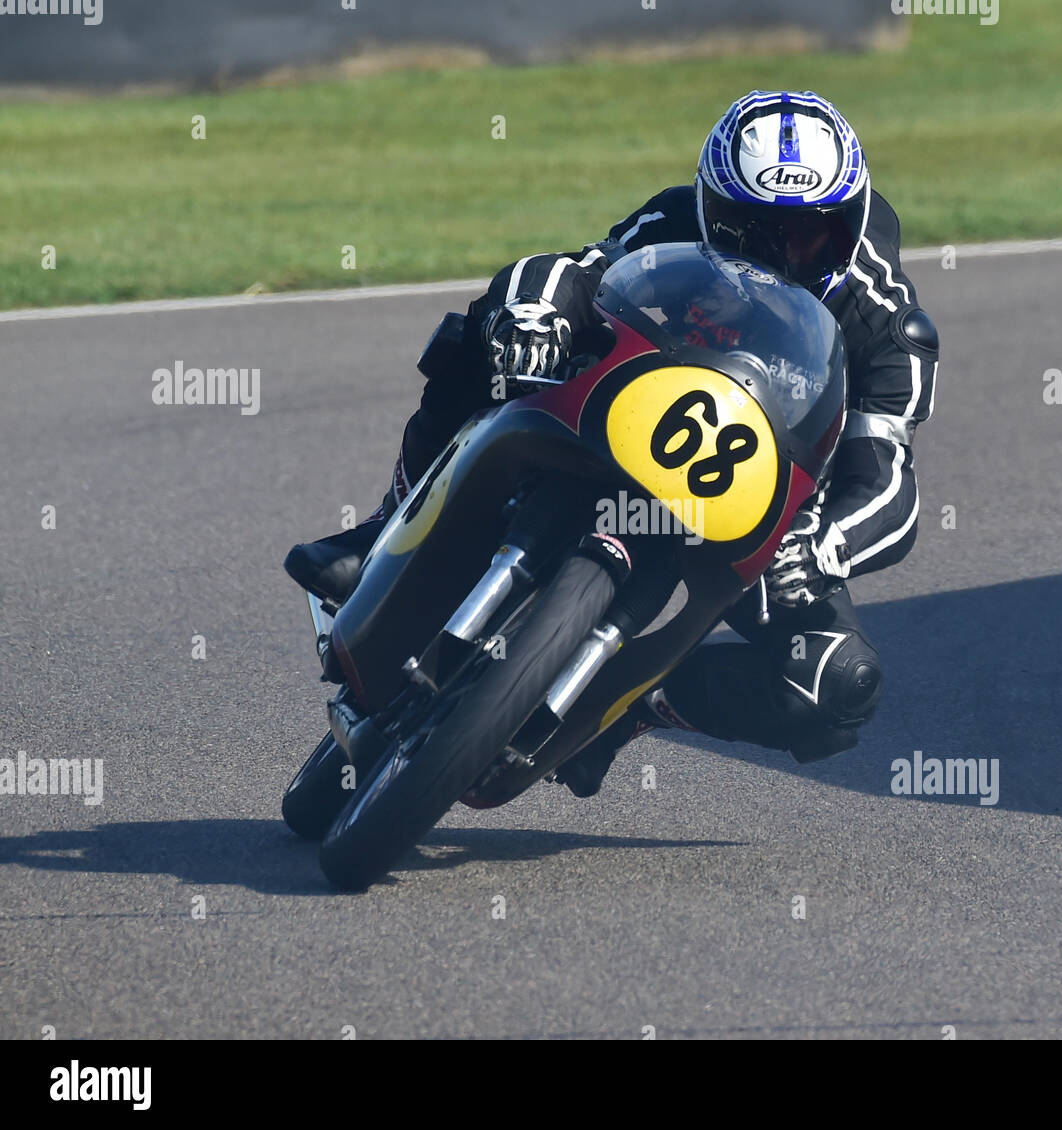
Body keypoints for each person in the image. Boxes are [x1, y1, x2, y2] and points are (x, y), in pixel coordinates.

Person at [285, 90, 939, 796]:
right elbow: (574, 270)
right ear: (713, 206)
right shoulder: (674, 215)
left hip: (763, 521)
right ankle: (388, 529)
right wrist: (533, 316)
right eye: (753, 229)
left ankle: (630, 707)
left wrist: (823, 547)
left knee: (838, 684)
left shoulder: (889, 326)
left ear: (850, 221)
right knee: (483, 331)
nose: (783, 255)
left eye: (812, 235)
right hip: (619, 414)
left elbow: (890, 486)